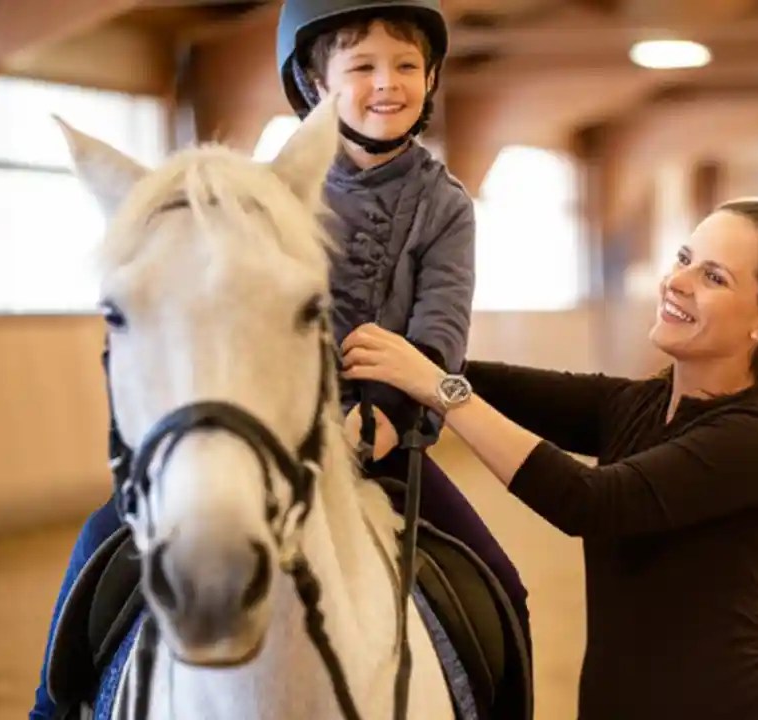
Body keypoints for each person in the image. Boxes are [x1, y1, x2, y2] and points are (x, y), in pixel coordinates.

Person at [30, 1, 529, 717]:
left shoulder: (445, 206)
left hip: (389, 447)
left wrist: (387, 417)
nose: (387, 83)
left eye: (406, 66)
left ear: (431, 78)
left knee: (499, 582)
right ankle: (52, 706)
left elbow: (441, 325)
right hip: (266, 436)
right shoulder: (257, 198)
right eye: (363, 67)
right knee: (97, 548)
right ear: (314, 82)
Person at [342, 199, 758, 720]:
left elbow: (589, 502)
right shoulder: (635, 406)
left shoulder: (757, 440)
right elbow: (484, 380)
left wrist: (441, 389)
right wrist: (399, 344)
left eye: (713, 277)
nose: (678, 281)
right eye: (684, 258)